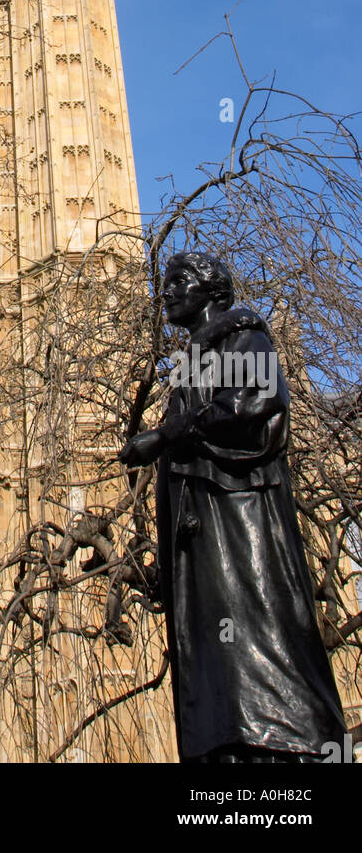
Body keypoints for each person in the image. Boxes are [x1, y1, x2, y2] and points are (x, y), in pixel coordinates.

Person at [121, 251, 347, 762]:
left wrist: (165, 435)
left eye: (179, 282)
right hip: (207, 535)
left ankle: (281, 739)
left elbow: (252, 407)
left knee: (259, 646)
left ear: (209, 290)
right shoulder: (197, 357)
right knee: (220, 669)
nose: (166, 293)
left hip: (242, 530)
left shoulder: (242, 337)